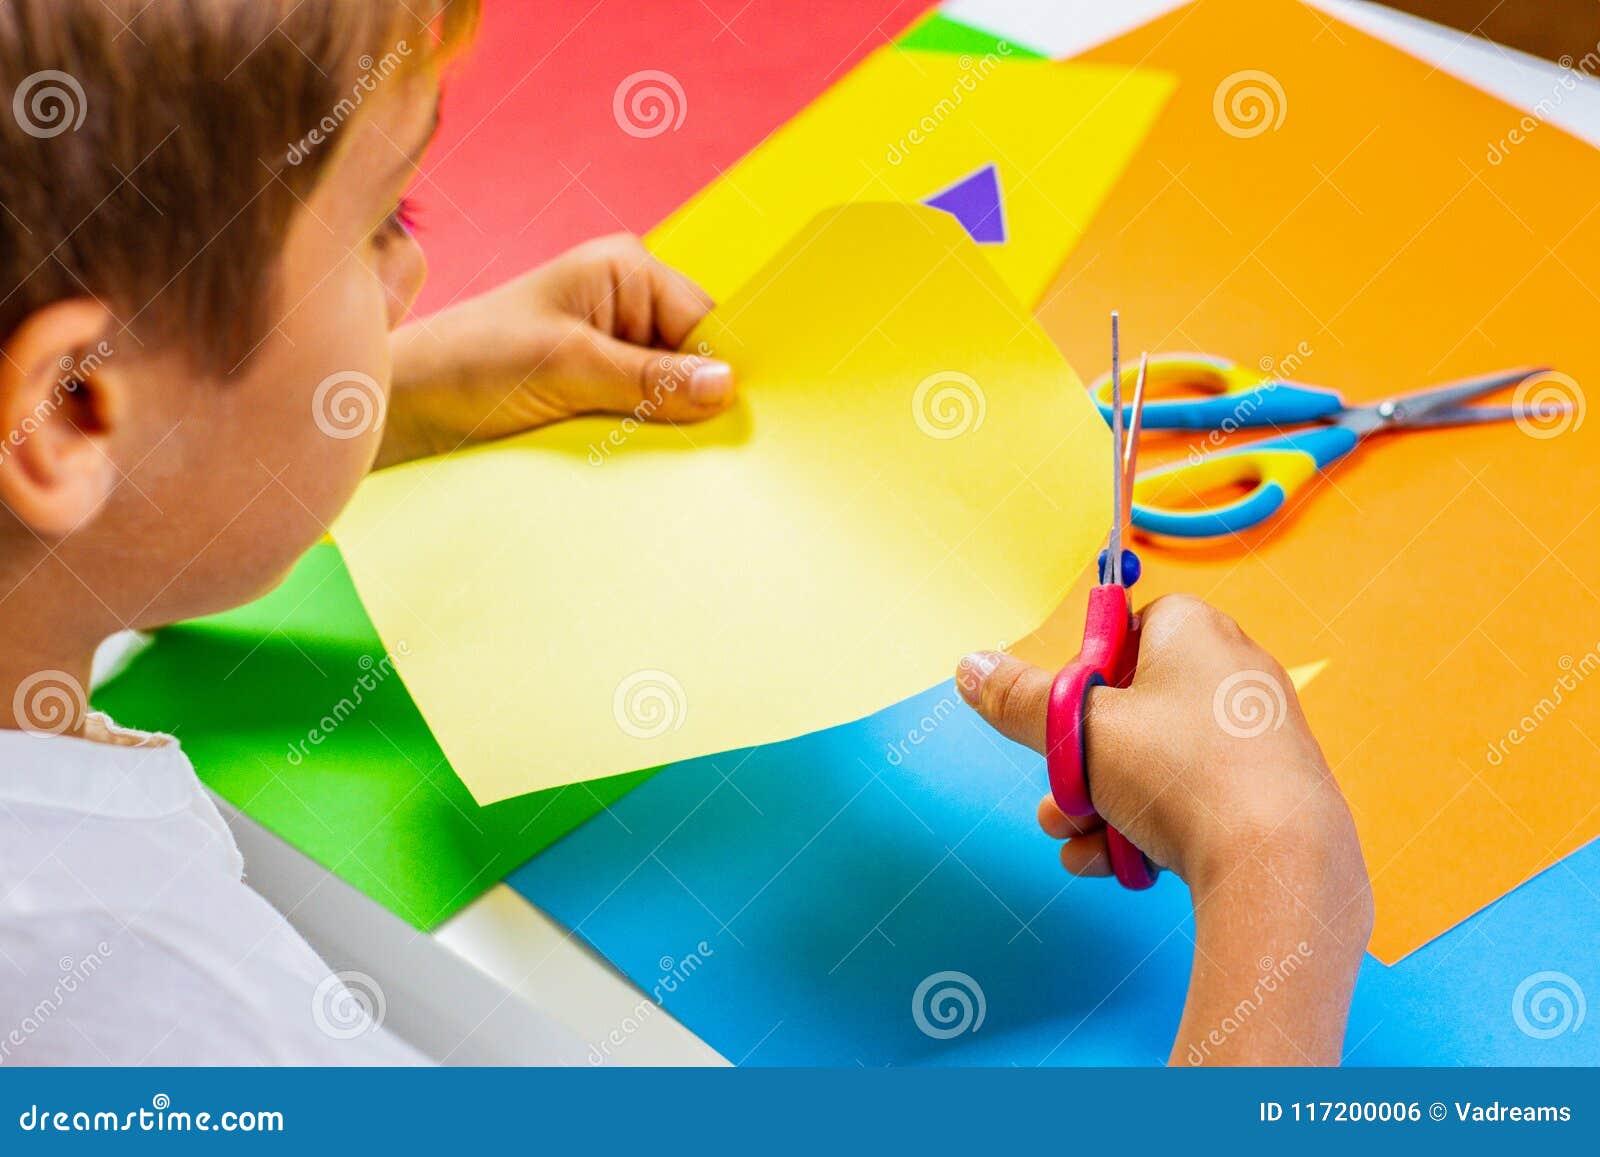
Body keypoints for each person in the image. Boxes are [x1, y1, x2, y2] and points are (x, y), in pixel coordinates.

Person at [0, 0, 1369, 1065]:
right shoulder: (164, 1011)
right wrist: (1280, 891)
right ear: (72, 410)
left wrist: (380, 399)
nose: (419, 273)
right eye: (381, 224)